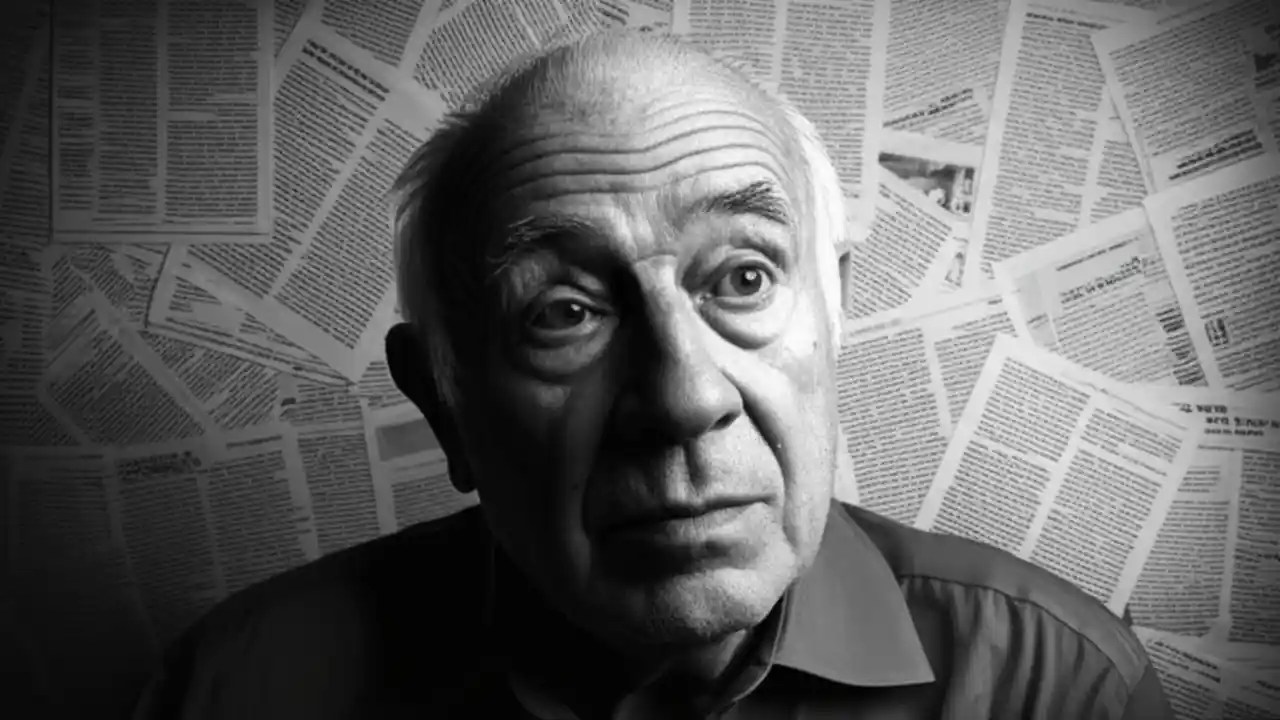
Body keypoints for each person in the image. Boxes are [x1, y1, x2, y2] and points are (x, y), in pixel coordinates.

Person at [131, 30, 1175, 719]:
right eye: (564, 313)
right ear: (444, 401)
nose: (683, 398)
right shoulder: (236, 695)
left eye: (743, 274)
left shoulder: (1056, 685)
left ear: (834, 313)